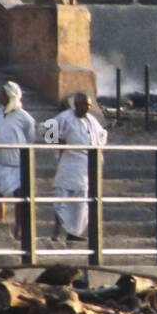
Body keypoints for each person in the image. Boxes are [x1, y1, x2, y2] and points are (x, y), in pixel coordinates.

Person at [50, 92, 108, 241]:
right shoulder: (64, 118)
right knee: (62, 201)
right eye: (84, 105)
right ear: (76, 104)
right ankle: (56, 232)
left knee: (82, 203)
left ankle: (74, 233)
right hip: (69, 163)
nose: (86, 108)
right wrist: (60, 144)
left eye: (89, 106)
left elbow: (102, 135)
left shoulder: (91, 120)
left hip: (86, 167)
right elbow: (48, 131)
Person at [0, 81, 36, 240]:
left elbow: (30, 137)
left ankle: (18, 229)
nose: (0, 97)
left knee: (18, 196)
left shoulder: (24, 118)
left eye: (3, 94)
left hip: (16, 162)